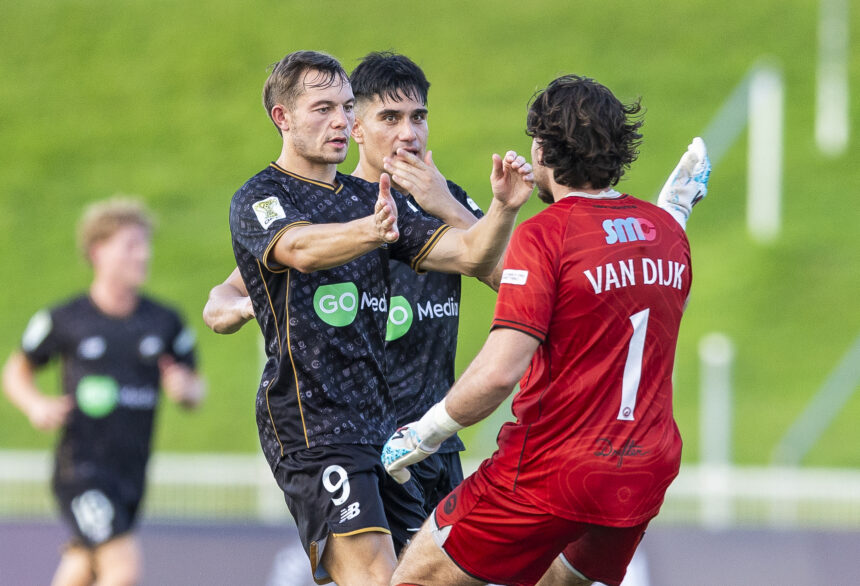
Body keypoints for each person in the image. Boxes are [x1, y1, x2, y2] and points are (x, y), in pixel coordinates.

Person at [382, 75, 711, 586]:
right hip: (644, 469)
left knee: (414, 580)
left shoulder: (546, 233)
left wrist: (424, 433)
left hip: (552, 470)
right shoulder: (667, 230)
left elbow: (497, 374)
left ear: (542, 148)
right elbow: (612, 280)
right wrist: (676, 208)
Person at [227, 50, 534, 586]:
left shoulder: (371, 198)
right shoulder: (262, 195)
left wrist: (503, 209)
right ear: (283, 117)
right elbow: (297, 247)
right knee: (374, 576)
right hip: (314, 424)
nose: (340, 121)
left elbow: (470, 257)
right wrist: (372, 231)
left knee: (423, 580)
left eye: (345, 107)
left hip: (389, 433)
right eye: (323, 108)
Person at [2, 197, 205, 586]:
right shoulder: (65, 319)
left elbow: (195, 388)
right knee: (122, 570)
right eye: (131, 245)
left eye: (146, 244)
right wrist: (35, 404)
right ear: (98, 251)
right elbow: (16, 369)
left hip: (130, 474)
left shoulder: (164, 321)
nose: (143, 254)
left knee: (82, 568)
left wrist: (184, 390)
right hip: (82, 470)